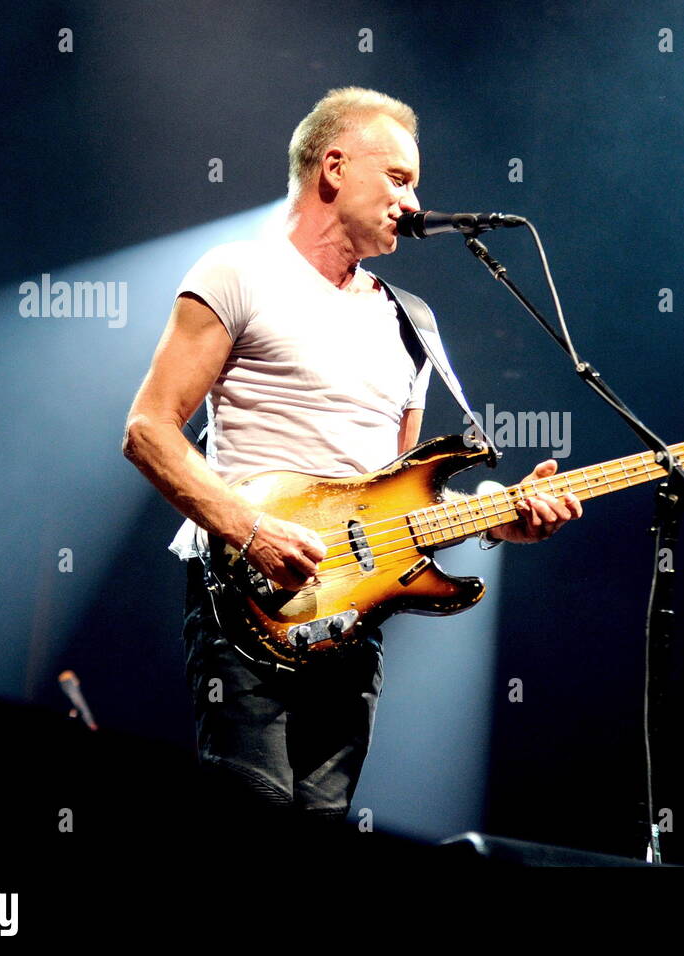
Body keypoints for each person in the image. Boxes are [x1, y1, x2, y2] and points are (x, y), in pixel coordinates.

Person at [121, 87, 581, 834]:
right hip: (248, 601)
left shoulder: (414, 323)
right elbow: (148, 430)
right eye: (399, 177)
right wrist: (253, 531)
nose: (414, 198)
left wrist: (501, 519)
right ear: (333, 167)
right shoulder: (238, 273)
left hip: (352, 625)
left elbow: (402, 500)